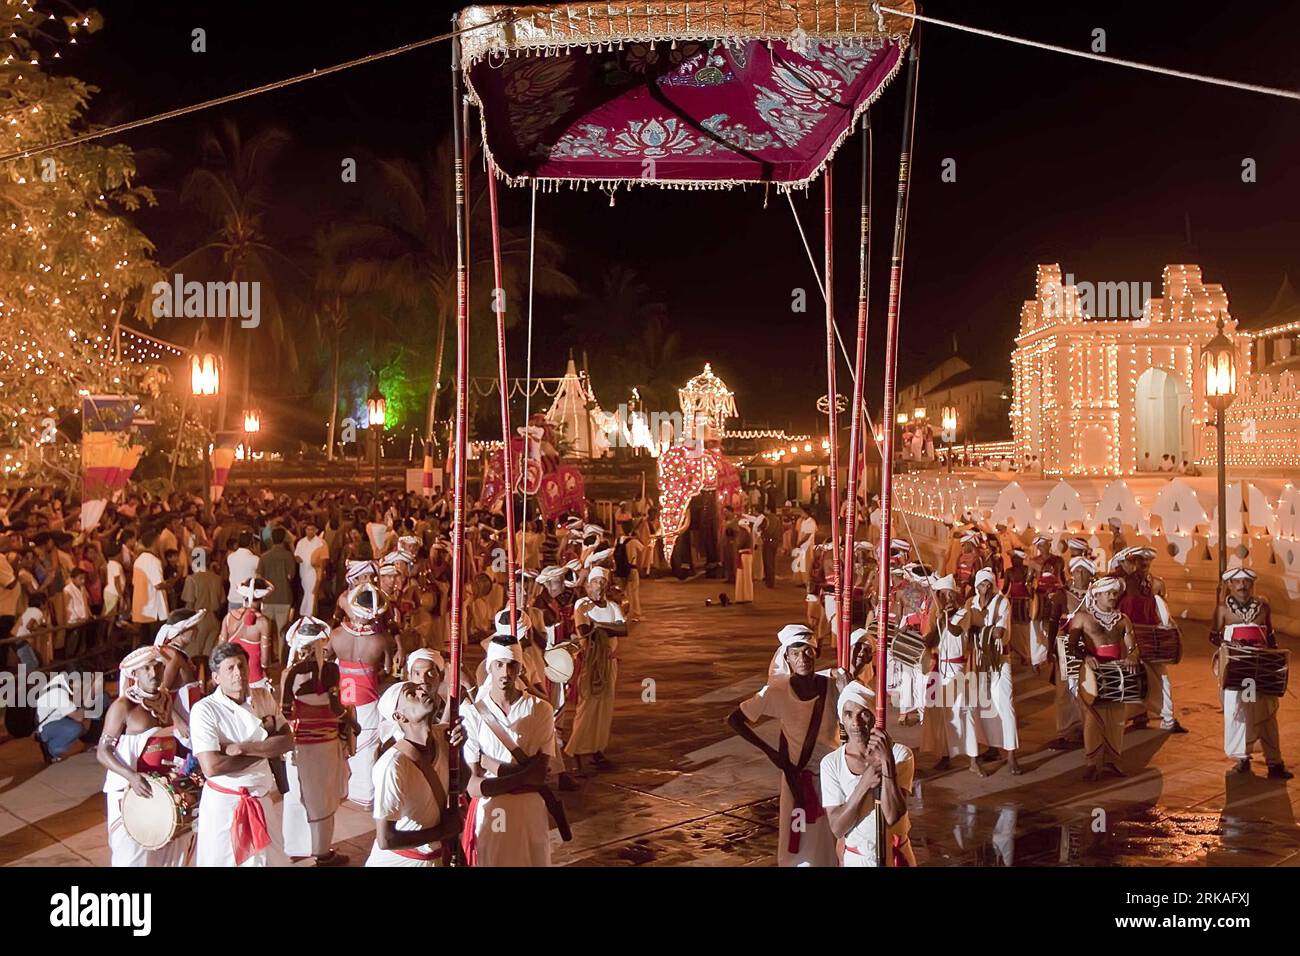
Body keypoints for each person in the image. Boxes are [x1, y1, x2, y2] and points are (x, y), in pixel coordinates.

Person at [727, 624, 839, 867]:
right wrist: (772, 754)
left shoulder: (832, 686)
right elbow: (735, 719)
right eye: (795, 653)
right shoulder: (777, 691)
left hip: (831, 778)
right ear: (786, 657)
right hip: (796, 779)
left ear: (816, 653)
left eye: (808, 651)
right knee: (797, 841)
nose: (803, 658)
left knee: (829, 841)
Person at [189, 641, 292, 866]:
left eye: (242, 666)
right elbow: (212, 767)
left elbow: (287, 741)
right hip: (225, 805)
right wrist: (266, 748)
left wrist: (243, 749)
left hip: (261, 798)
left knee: (270, 861)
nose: (239, 673)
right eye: (230, 669)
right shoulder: (205, 710)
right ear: (216, 677)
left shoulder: (263, 696)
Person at [462, 639, 559, 867]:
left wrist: (491, 767)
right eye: (499, 664)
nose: (505, 672)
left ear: (520, 668)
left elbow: (539, 775)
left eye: (511, 665)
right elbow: (473, 785)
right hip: (492, 810)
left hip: (529, 808)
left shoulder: (541, 710)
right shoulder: (473, 714)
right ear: (489, 667)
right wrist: (524, 776)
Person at [97, 646, 191, 867]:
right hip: (131, 791)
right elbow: (103, 751)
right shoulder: (123, 706)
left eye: (157, 667)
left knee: (172, 852)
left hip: (164, 791)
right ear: (134, 675)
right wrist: (131, 777)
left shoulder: (167, 700)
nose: (153, 673)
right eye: (146, 669)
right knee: (133, 857)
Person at [279, 617, 350, 865]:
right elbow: (335, 707)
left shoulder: (289, 673)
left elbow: (285, 711)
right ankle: (321, 851)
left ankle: (297, 847)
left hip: (298, 745)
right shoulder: (331, 670)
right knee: (322, 796)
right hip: (323, 745)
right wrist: (349, 718)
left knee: (299, 795)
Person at [820, 682, 915, 866]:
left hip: (894, 857)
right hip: (858, 859)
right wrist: (864, 783)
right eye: (848, 714)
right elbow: (838, 827)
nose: (855, 723)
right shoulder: (832, 764)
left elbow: (892, 816)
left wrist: (887, 762)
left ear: (874, 717)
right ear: (841, 719)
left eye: (863, 713)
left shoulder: (900, 755)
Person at [1211, 567, 1291, 778]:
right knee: (1239, 711)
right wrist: (1231, 645)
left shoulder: (1263, 606)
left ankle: (1275, 763)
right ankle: (1242, 757)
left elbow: (1271, 635)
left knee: (1266, 713)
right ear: (1230, 585)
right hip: (1237, 669)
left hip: (1260, 668)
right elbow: (1213, 636)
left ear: (1252, 584)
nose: (1242, 586)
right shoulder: (1222, 610)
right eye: (1237, 582)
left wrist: (1274, 663)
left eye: (1246, 582)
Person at [331, 581, 395, 810]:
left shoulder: (336, 635)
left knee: (341, 744)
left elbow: (328, 663)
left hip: (342, 701)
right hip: (367, 702)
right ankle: (365, 795)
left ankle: (341, 788)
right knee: (367, 750)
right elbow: (388, 670)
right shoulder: (380, 640)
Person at [1069, 576, 1135, 780]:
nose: (1113, 597)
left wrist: (1132, 655)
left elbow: (1133, 646)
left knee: (1116, 719)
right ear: (1096, 595)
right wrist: (1086, 656)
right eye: (1109, 593)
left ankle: (1113, 762)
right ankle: (1092, 763)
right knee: (1092, 718)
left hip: (1116, 672)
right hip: (1092, 674)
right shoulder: (1082, 617)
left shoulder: (1123, 619)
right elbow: (1071, 646)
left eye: (1115, 593)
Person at [921, 574, 983, 775]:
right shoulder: (939, 616)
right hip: (941, 669)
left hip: (958, 670)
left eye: (950, 594)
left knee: (966, 713)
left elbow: (956, 632)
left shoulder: (964, 613)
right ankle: (946, 755)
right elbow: (928, 642)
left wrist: (946, 617)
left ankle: (973, 760)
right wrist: (938, 621)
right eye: (943, 594)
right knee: (945, 717)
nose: (947, 598)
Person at [565, 567, 626, 772]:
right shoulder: (582, 605)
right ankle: (576, 753)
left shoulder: (613, 606)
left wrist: (598, 626)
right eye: (595, 582)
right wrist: (605, 628)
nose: (599, 586)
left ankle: (597, 750)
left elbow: (623, 629)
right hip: (591, 662)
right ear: (588, 585)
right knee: (587, 708)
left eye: (602, 582)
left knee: (604, 708)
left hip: (609, 662)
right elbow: (584, 631)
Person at [967, 568, 1021, 774]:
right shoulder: (970, 603)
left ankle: (1011, 755)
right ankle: (990, 748)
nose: (985, 588)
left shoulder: (1002, 602)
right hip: (978, 660)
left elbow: (1000, 632)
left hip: (999, 661)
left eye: (989, 584)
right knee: (981, 707)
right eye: (982, 584)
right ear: (976, 586)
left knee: (1005, 704)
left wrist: (977, 627)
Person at [217, 576, 275, 690]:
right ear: (262, 598)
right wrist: (266, 670)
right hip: (254, 676)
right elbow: (265, 660)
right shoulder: (263, 622)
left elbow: (220, 649)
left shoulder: (229, 617)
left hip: (232, 676)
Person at [257, 527, 297, 660]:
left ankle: (267, 658)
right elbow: (291, 576)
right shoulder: (288, 556)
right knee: (282, 632)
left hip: (267, 598)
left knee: (267, 632)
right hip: (284, 597)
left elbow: (259, 577)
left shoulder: (264, 557)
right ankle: (281, 658)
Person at [130, 526, 170, 646]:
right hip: (154, 611)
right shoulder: (153, 560)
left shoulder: (138, 560)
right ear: (154, 542)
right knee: (156, 644)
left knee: (145, 643)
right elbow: (158, 585)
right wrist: (170, 584)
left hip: (142, 610)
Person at [294, 522, 328, 618]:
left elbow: (324, 559)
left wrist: (322, 572)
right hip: (304, 572)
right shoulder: (301, 542)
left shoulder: (321, 543)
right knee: (308, 592)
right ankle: (309, 613)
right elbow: (296, 555)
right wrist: (298, 559)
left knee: (312, 592)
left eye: (312, 529)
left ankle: (307, 614)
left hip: (315, 572)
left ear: (316, 530)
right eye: (307, 529)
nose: (309, 531)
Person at [224, 532, 260, 613]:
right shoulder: (255, 559)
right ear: (252, 544)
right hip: (249, 599)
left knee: (233, 624)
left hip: (233, 597)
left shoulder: (230, 557)